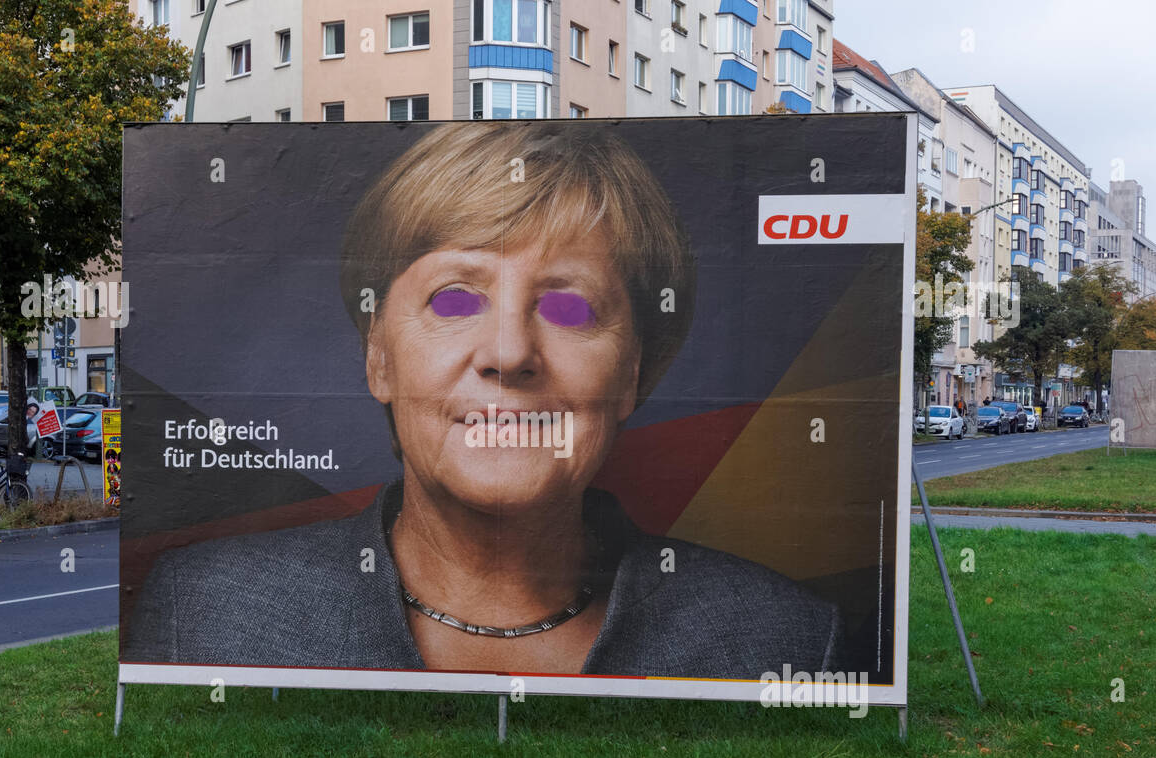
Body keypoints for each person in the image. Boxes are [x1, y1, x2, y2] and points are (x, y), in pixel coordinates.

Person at [126, 122, 841, 679]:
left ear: (630, 375)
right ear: (378, 357)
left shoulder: (781, 635)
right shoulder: (206, 610)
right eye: (456, 298)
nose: (509, 353)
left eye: (569, 309)